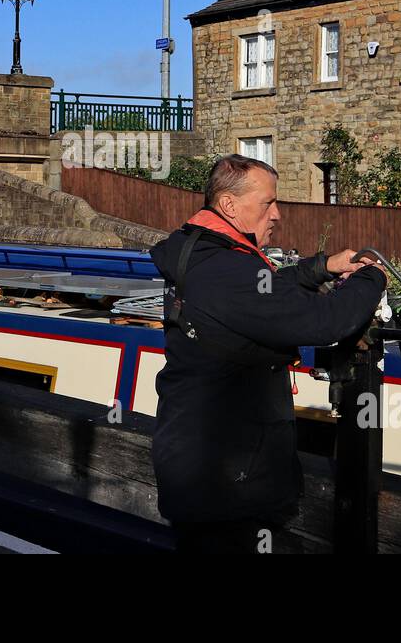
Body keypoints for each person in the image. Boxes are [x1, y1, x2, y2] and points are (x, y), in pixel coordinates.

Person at [150, 154, 387, 553]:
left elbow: (268, 286)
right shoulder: (226, 270)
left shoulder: (201, 253)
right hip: (229, 483)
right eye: (267, 203)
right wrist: (371, 279)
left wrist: (323, 267)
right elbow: (325, 322)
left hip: (200, 471)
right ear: (229, 205)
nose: (277, 214)